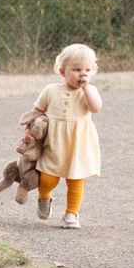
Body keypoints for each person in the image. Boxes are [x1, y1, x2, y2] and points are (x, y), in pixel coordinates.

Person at [32, 42, 103, 229]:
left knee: (76, 179)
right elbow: (37, 110)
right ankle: (44, 196)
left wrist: (86, 89)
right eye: (77, 69)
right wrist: (31, 130)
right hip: (55, 142)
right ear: (63, 71)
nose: (83, 74)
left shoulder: (89, 92)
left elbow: (96, 108)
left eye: (88, 69)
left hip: (79, 144)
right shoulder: (50, 90)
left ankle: (71, 214)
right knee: (48, 178)